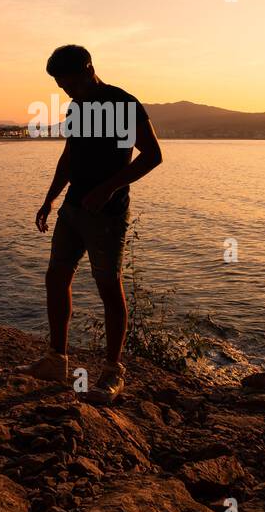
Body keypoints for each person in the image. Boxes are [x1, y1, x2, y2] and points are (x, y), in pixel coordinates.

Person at [19, 44, 163, 403]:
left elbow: (154, 155)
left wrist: (107, 189)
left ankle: (113, 372)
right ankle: (56, 359)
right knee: (56, 277)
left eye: (67, 82)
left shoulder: (123, 103)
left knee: (108, 287)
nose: (64, 90)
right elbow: (70, 154)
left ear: (87, 69)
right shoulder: (77, 106)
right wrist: (50, 198)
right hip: (72, 208)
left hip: (107, 213)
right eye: (59, 85)